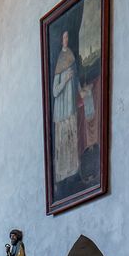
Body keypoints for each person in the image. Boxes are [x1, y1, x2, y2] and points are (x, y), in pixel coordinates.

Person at [51, 30, 80, 184]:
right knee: (63, 140)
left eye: (68, 36)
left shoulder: (71, 56)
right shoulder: (60, 60)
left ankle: (73, 170)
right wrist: (64, 80)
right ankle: (63, 174)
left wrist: (81, 90)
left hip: (71, 107)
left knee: (71, 137)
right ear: (61, 40)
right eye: (64, 37)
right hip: (61, 109)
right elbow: (55, 91)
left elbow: (76, 80)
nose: (66, 39)